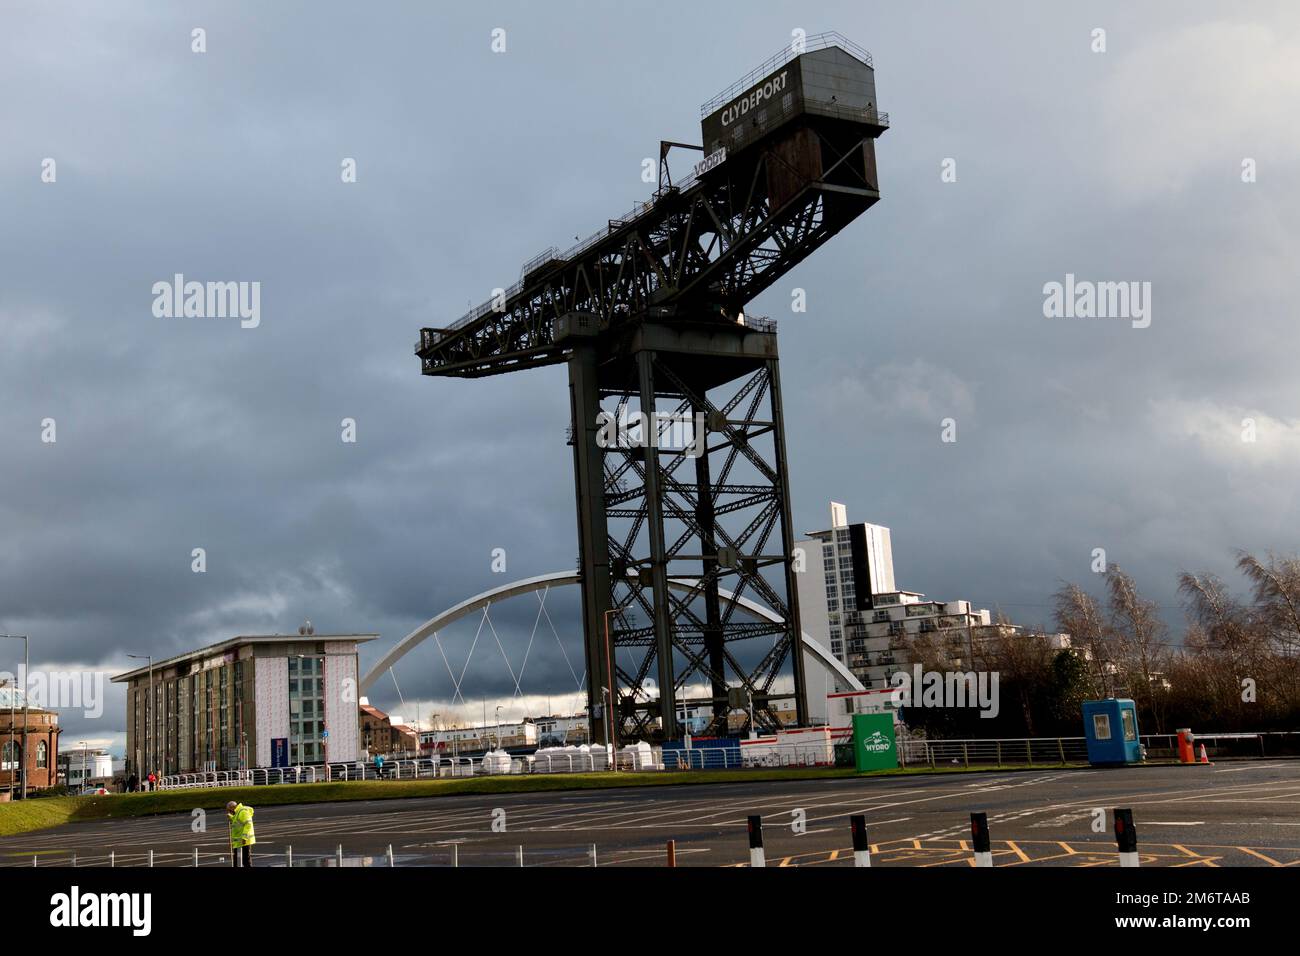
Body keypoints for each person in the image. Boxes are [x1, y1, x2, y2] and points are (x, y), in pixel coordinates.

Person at [226, 800, 256, 868]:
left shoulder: (243, 811)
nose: (229, 812)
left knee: (245, 861)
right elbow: (238, 822)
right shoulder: (238, 812)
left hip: (244, 841)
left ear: (232, 807)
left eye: (229, 810)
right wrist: (231, 817)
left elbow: (248, 825)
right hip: (239, 842)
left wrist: (244, 838)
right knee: (237, 861)